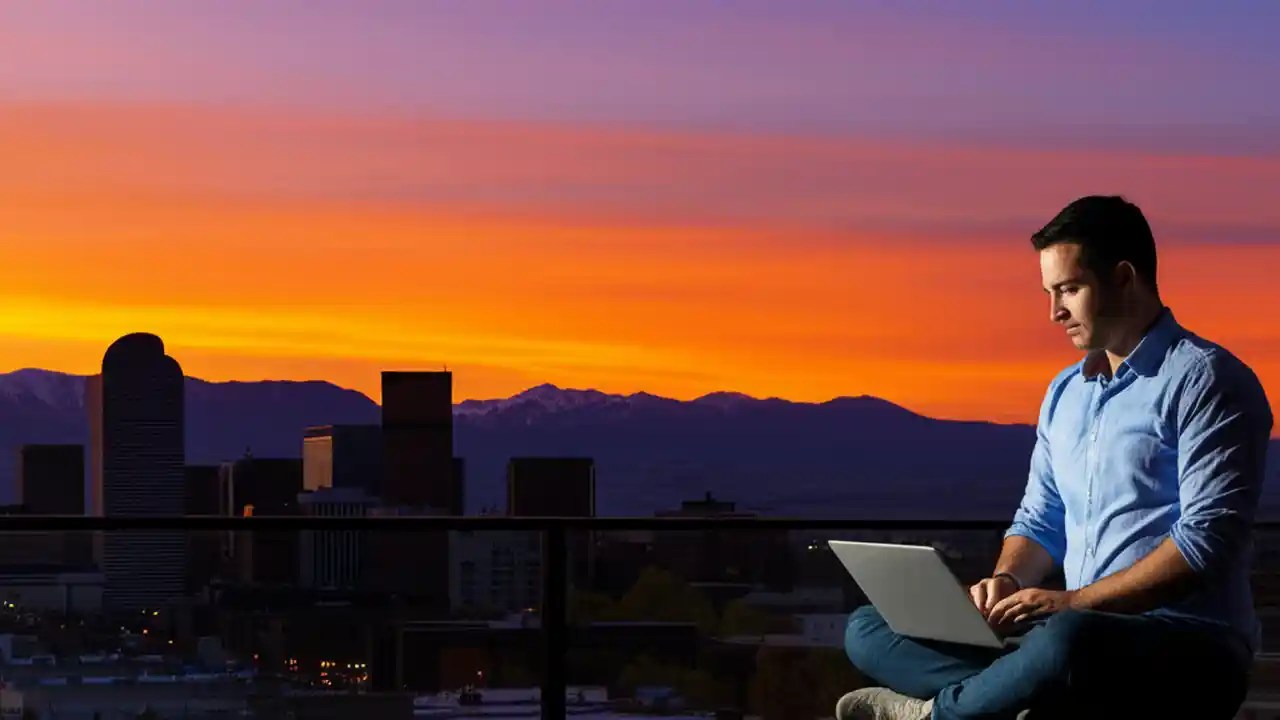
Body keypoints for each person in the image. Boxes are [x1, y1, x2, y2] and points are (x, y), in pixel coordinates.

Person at [836, 196, 1273, 719]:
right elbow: (1040, 519)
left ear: (1124, 277)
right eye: (1049, 293)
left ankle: (940, 714)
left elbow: (1206, 544)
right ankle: (1012, 696)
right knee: (867, 627)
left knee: (1067, 639)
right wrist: (1008, 582)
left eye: (1069, 289)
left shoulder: (1207, 380)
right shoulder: (1065, 392)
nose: (1053, 312)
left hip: (1186, 645)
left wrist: (1073, 602)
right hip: (1070, 635)